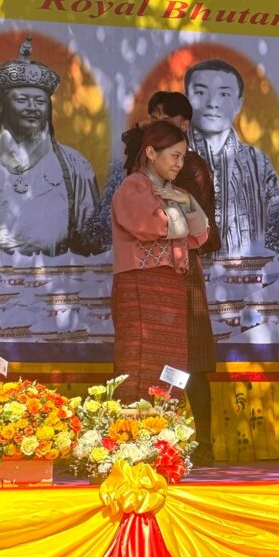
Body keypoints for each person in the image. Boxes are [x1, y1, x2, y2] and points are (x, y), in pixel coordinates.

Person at [122, 92, 221, 465]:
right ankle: (150, 440)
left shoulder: (191, 167)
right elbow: (148, 220)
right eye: (152, 116)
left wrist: (181, 206)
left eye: (163, 118)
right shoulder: (139, 168)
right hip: (148, 272)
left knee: (192, 357)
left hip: (183, 268)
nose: (154, 123)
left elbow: (197, 227)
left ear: (184, 124)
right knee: (153, 355)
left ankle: (203, 441)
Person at [111, 121, 209, 406]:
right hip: (141, 286)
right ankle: (133, 429)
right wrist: (184, 210)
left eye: (183, 157)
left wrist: (187, 201)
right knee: (140, 360)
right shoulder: (133, 187)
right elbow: (153, 225)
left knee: (171, 360)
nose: (180, 164)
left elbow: (201, 235)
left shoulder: (172, 191)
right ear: (151, 153)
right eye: (174, 156)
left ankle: (166, 425)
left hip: (171, 287)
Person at [0, 37, 99, 256]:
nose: (32, 108)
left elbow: (90, 234)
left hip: (55, 271)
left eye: (40, 102)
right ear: (1, 107)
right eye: (22, 100)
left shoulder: (75, 165)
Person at [185, 59, 279, 254]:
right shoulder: (171, 160)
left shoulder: (259, 163)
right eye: (201, 93)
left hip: (248, 270)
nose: (212, 103)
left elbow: (276, 229)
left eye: (224, 94)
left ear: (239, 103)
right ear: (186, 98)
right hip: (189, 269)